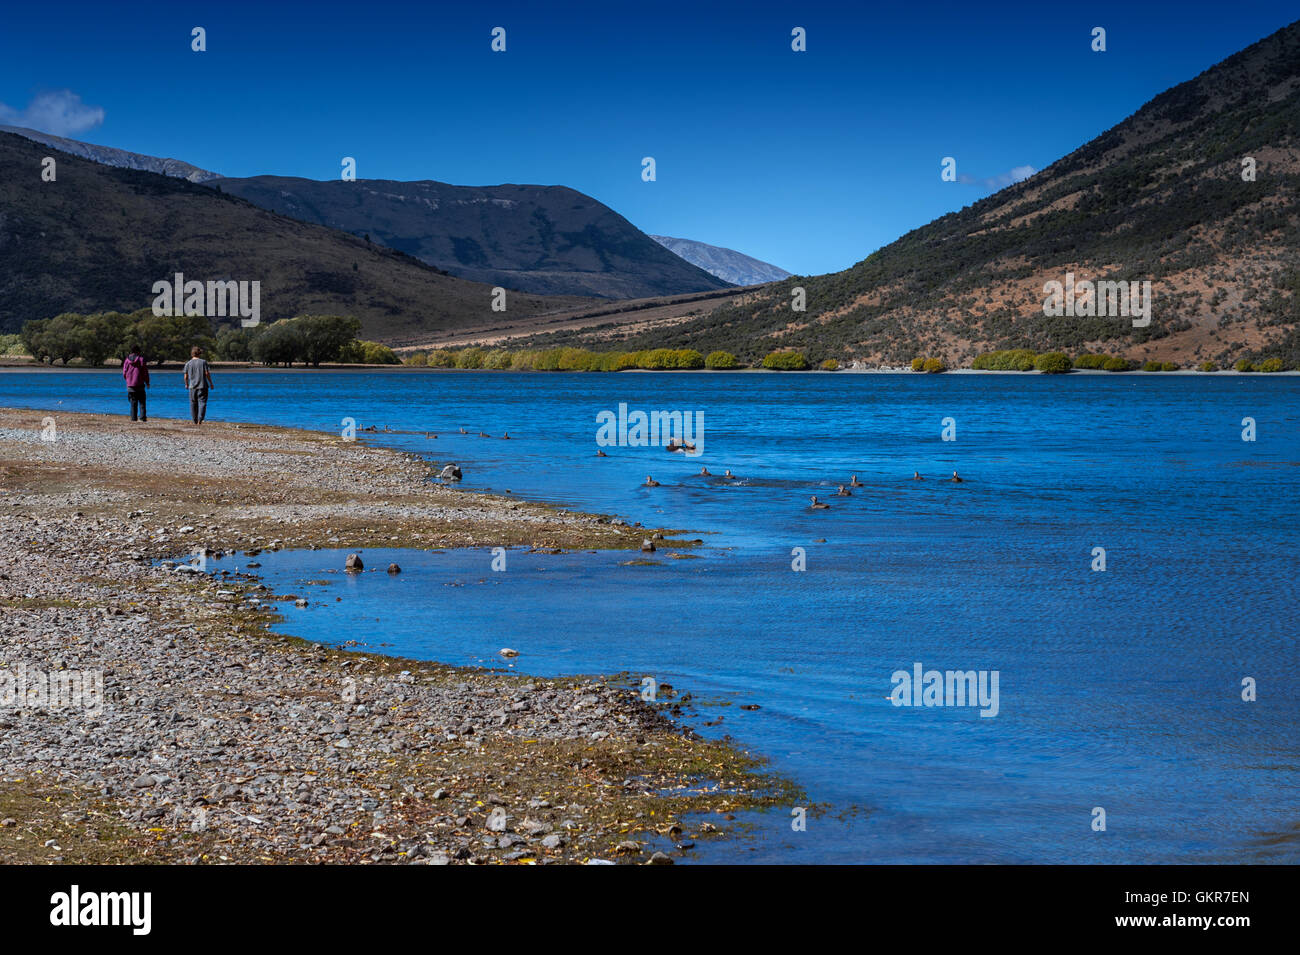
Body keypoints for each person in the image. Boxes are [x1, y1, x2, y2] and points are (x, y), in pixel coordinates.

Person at [183, 346, 213, 424]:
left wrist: (186, 384)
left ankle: (194, 420)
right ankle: (200, 420)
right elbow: (207, 373)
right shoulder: (203, 362)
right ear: (199, 353)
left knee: (193, 403)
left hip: (192, 386)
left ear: (192, 354)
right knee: (202, 403)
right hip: (203, 386)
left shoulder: (188, 363)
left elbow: (185, 376)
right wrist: (211, 383)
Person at [122, 344, 150, 421]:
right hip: (140, 384)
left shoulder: (127, 360)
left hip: (130, 385)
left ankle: (133, 418)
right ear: (138, 351)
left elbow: (124, 372)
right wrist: (147, 382)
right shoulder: (141, 359)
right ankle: (142, 418)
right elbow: (145, 372)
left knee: (133, 403)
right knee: (142, 402)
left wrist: (128, 380)